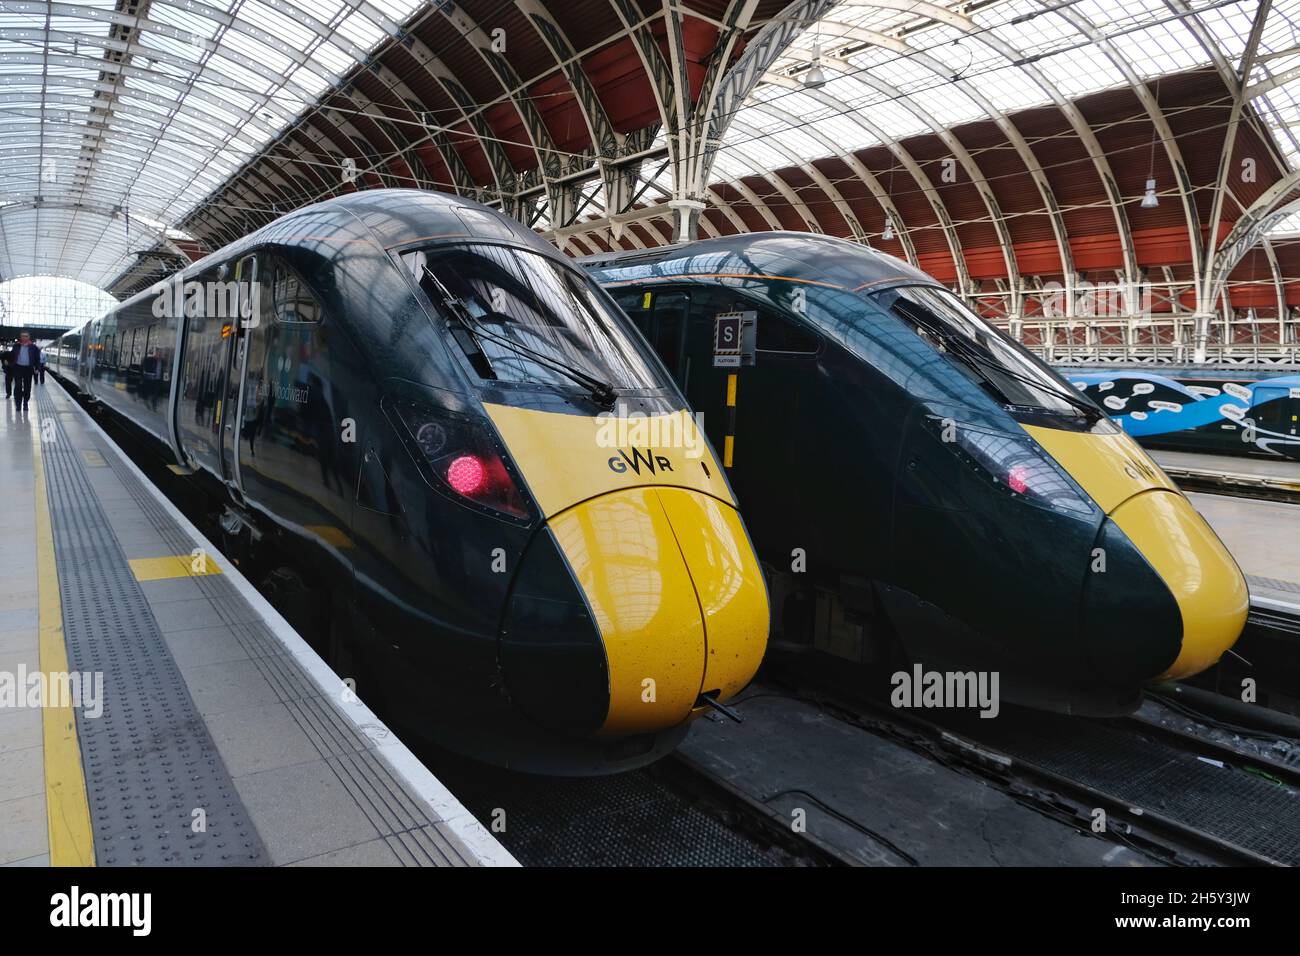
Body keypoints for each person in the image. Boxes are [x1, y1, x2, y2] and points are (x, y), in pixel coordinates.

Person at [8, 333, 40, 411]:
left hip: (28, 369)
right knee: (18, 386)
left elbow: (37, 358)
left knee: (27, 387)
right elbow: (11, 356)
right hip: (18, 368)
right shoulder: (16, 346)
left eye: (26, 336)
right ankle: (18, 404)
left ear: (29, 337)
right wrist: (8, 363)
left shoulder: (33, 347)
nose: (24, 337)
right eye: (22, 336)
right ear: (20, 337)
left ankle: (25, 403)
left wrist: (37, 368)